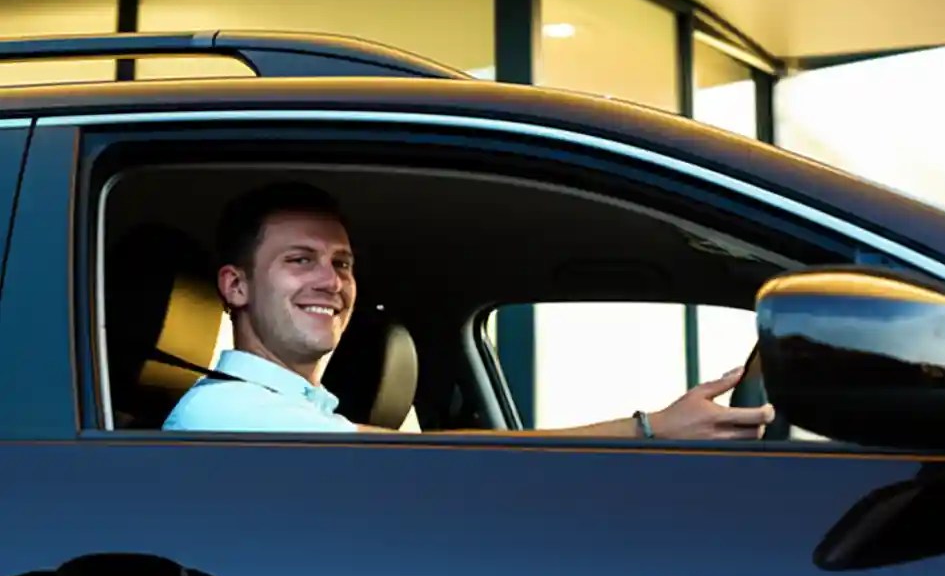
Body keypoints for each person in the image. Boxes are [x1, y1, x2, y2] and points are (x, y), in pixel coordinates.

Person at [163, 181, 775, 439]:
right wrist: (651, 430)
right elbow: (431, 465)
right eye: (299, 260)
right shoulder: (225, 410)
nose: (331, 280)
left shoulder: (297, 414)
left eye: (342, 263)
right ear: (235, 287)